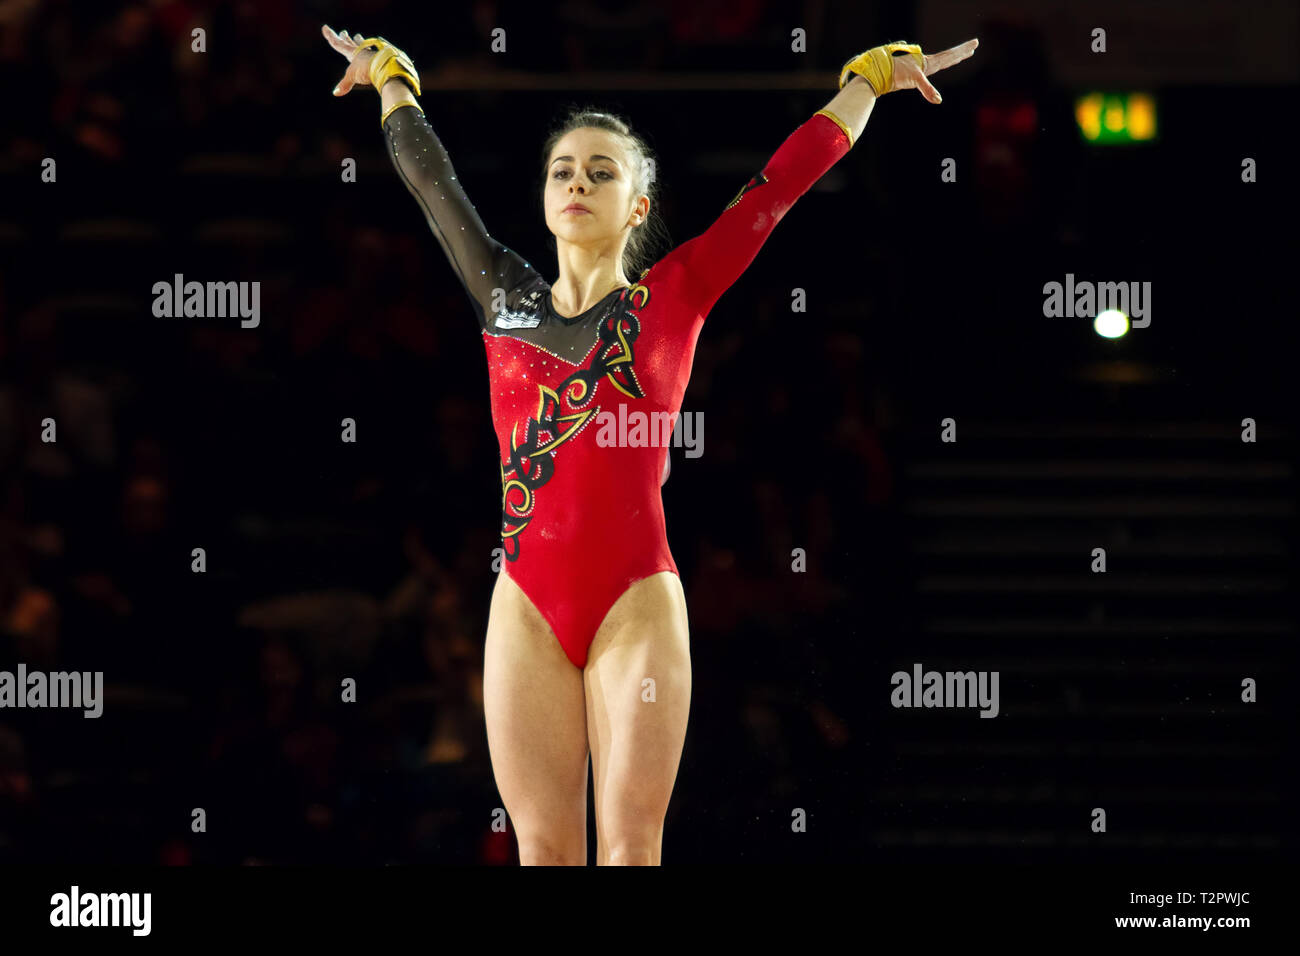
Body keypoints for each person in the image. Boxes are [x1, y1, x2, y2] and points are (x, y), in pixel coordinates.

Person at [323, 25, 978, 864]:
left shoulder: (677, 295)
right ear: (544, 195)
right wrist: (391, 77)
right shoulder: (503, 297)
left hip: (635, 599)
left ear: (637, 205)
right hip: (524, 601)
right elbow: (430, 180)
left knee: (631, 847)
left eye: (601, 172)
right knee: (545, 852)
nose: (577, 182)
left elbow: (775, 190)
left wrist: (869, 79)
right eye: (563, 170)